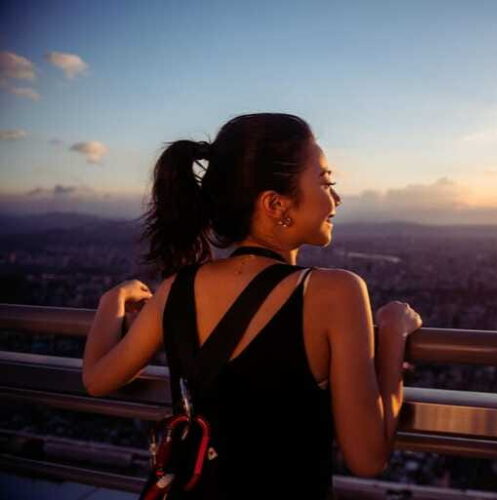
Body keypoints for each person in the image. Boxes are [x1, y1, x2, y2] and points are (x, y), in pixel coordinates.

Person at [81, 113, 423, 498]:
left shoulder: (175, 289)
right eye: (326, 181)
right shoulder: (335, 292)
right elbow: (367, 458)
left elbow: (96, 379)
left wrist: (112, 301)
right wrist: (394, 332)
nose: (337, 197)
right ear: (275, 203)